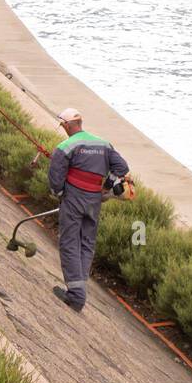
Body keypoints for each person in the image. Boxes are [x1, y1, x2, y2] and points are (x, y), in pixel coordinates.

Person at [47, 107, 130, 313]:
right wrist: (108, 185)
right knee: (86, 242)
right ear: (80, 123)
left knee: (68, 243)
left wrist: (59, 194)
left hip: (73, 198)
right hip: (94, 200)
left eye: (63, 126)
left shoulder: (66, 146)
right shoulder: (104, 144)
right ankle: (79, 286)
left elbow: (55, 178)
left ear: (67, 125)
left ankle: (76, 295)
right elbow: (122, 167)